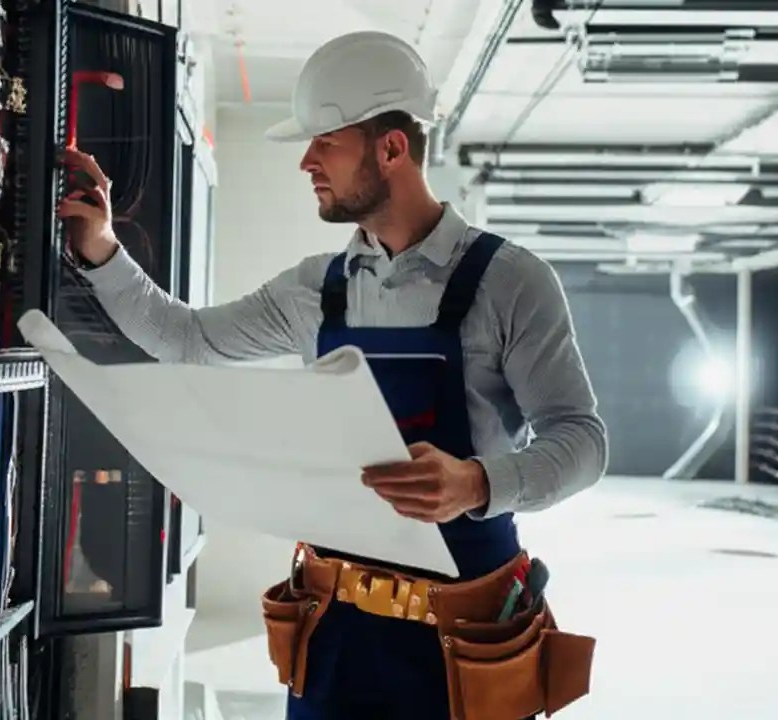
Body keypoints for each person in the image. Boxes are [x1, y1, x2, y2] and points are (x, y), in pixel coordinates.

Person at [56, 30, 606, 720]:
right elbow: (187, 339)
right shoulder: (318, 290)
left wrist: (476, 482)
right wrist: (102, 249)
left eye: (326, 142)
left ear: (392, 148)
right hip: (335, 638)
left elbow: (581, 441)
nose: (307, 161)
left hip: (464, 647)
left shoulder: (512, 283)